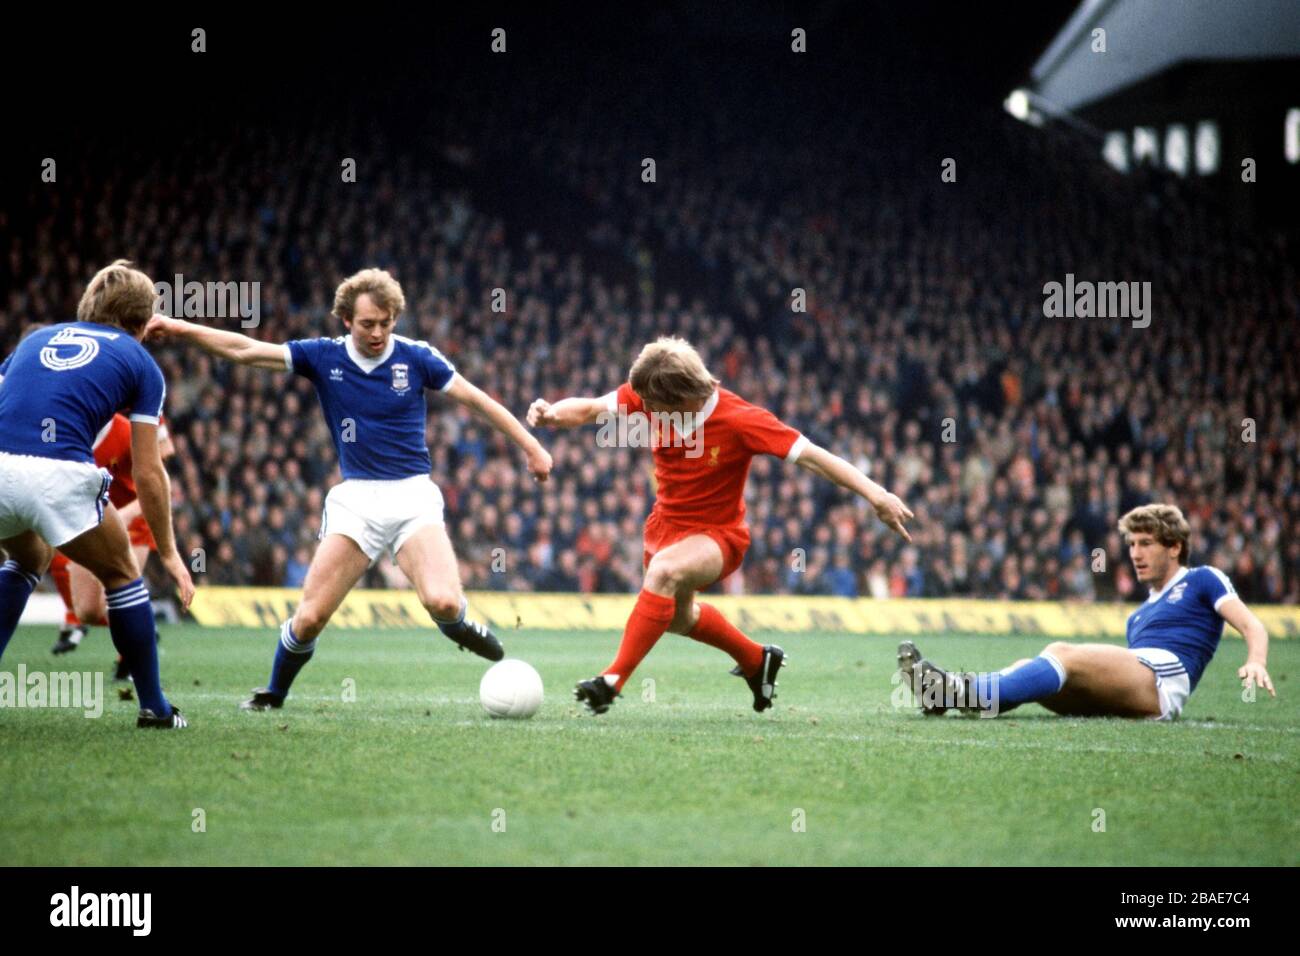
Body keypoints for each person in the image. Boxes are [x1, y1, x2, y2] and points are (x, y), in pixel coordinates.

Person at [146, 267, 552, 711]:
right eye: (367, 324)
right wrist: (180, 327)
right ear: (346, 320)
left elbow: (478, 401)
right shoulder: (324, 357)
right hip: (356, 500)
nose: (378, 332)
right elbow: (245, 350)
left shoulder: (418, 358)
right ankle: (273, 693)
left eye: (385, 322)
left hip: (413, 496)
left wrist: (531, 447)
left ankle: (459, 622)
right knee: (311, 618)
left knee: (441, 600)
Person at [527, 336, 914, 714]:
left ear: (683, 399)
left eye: (653, 406)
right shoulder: (649, 392)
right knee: (679, 618)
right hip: (664, 528)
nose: (643, 410)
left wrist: (876, 495)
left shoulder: (740, 419)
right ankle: (756, 659)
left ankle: (611, 681)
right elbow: (592, 409)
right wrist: (552, 414)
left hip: (718, 538)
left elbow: (813, 456)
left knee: (663, 572)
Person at [0, 260, 194, 728]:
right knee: (124, 575)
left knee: (26, 559)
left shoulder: (34, 339)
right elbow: (149, 472)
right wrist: (168, 552)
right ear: (143, 322)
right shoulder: (141, 362)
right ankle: (155, 708)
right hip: (61, 473)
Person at [898, 503, 1275, 719]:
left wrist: (1256, 660)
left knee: (1061, 653)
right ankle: (965, 701)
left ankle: (953, 690)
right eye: (1131, 544)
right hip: (1136, 683)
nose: (1135, 554)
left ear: (1175, 547)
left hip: (1163, 679)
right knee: (1022, 667)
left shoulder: (1204, 579)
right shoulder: (1139, 614)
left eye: (1146, 543)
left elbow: (1253, 625)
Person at [49, 414, 177, 684]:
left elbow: (160, 476)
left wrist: (127, 514)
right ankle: (142, 626)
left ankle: (131, 658)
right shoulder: (68, 419)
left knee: (118, 593)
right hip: (88, 518)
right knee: (87, 610)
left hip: (132, 518)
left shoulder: (133, 415)